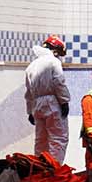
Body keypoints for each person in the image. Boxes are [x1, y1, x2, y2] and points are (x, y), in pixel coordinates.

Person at [24, 34, 70, 164]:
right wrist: (64, 101)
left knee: (41, 141)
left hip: (37, 106)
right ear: (55, 50)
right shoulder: (53, 62)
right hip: (52, 104)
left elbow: (28, 93)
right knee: (58, 139)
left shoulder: (31, 66)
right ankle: (54, 169)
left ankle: (39, 169)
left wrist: (30, 111)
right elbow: (58, 82)